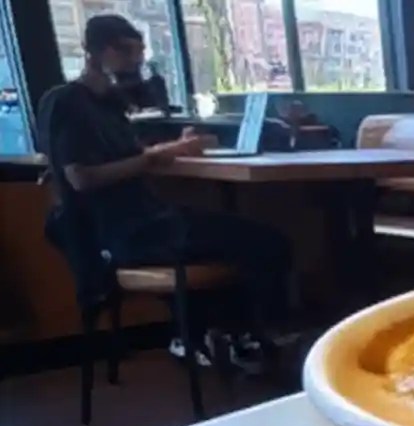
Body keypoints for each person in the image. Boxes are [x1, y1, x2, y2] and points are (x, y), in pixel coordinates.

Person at [38, 14, 292, 367]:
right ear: (98, 51)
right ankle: (255, 335)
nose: (137, 61)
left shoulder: (109, 105)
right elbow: (82, 178)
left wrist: (172, 148)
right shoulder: (65, 102)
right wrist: (159, 156)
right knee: (264, 241)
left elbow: (127, 158)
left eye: (139, 51)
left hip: (148, 220)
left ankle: (218, 335)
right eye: (127, 52)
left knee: (245, 237)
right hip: (124, 233)